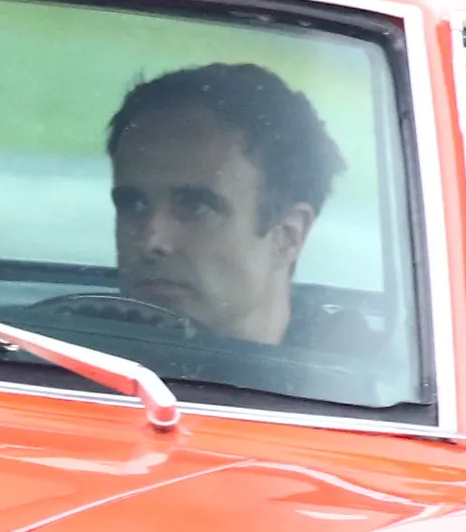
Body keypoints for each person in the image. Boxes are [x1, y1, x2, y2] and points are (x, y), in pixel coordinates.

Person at [105, 62, 342, 345]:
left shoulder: (351, 385)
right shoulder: (63, 362)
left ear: (287, 237)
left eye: (195, 208)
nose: (151, 240)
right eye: (134, 205)